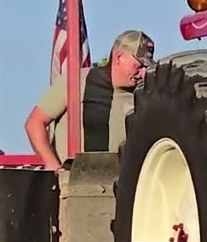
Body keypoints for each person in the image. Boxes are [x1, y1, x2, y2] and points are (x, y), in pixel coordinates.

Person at [25, 30, 155, 170]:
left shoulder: (144, 95)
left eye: (146, 67)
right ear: (119, 57)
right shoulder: (77, 81)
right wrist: (54, 168)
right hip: (74, 184)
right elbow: (35, 123)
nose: (142, 73)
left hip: (121, 184)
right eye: (138, 66)